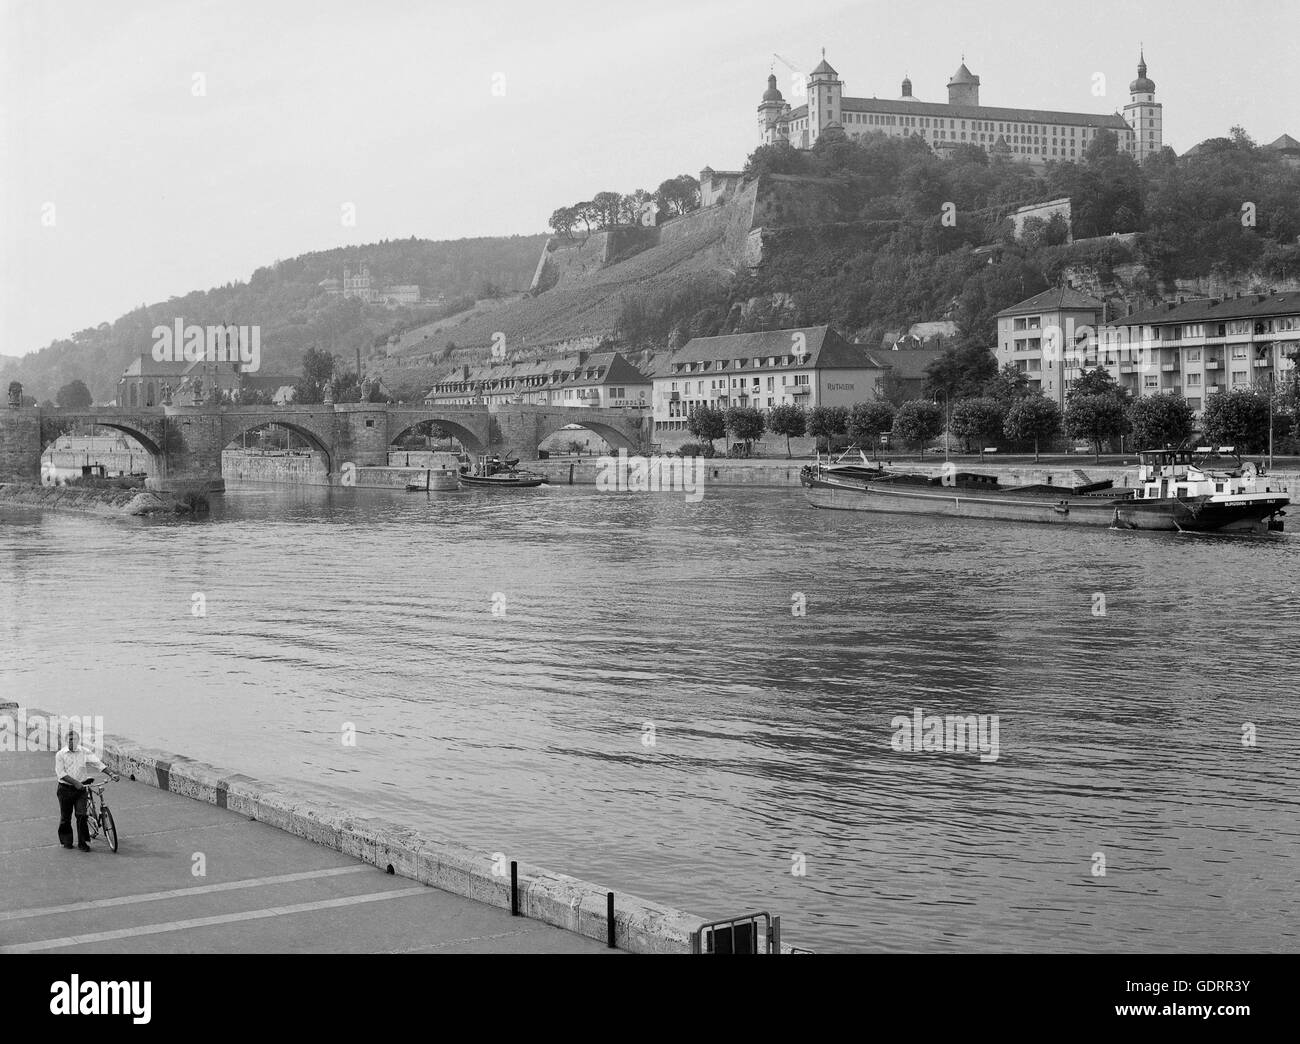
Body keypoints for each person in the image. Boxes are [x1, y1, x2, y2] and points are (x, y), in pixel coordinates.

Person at [55, 729, 118, 851]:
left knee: (82, 815)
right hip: (65, 789)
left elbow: (97, 763)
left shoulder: (84, 752)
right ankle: (67, 841)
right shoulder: (60, 755)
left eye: (74, 739)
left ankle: (82, 842)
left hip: (81, 789)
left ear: (78, 740)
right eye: (70, 740)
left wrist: (111, 774)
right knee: (65, 817)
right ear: (66, 741)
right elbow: (61, 774)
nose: (72, 742)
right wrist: (75, 782)